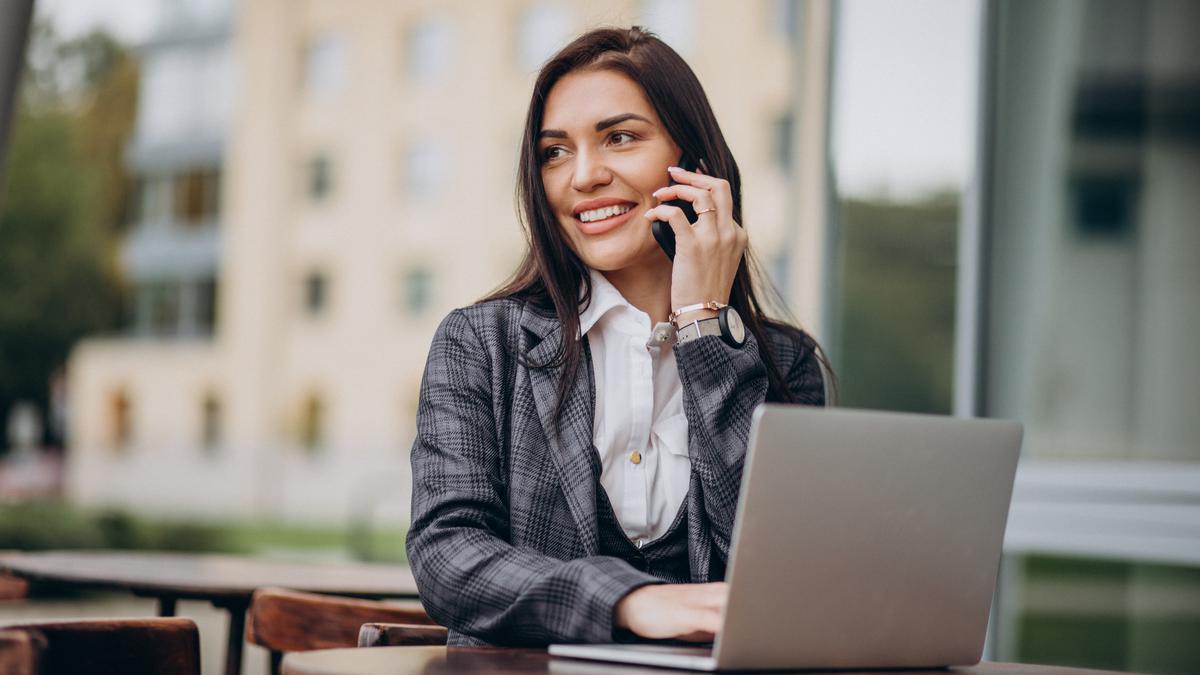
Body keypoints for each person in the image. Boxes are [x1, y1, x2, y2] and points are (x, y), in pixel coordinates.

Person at [406, 26, 828, 647]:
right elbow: (449, 555)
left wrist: (705, 327)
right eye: (555, 151)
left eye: (619, 138)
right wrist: (631, 601)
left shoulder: (785, 364)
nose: (582, 176)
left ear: (694, 163)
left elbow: (783, 567)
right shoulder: (481, 342)